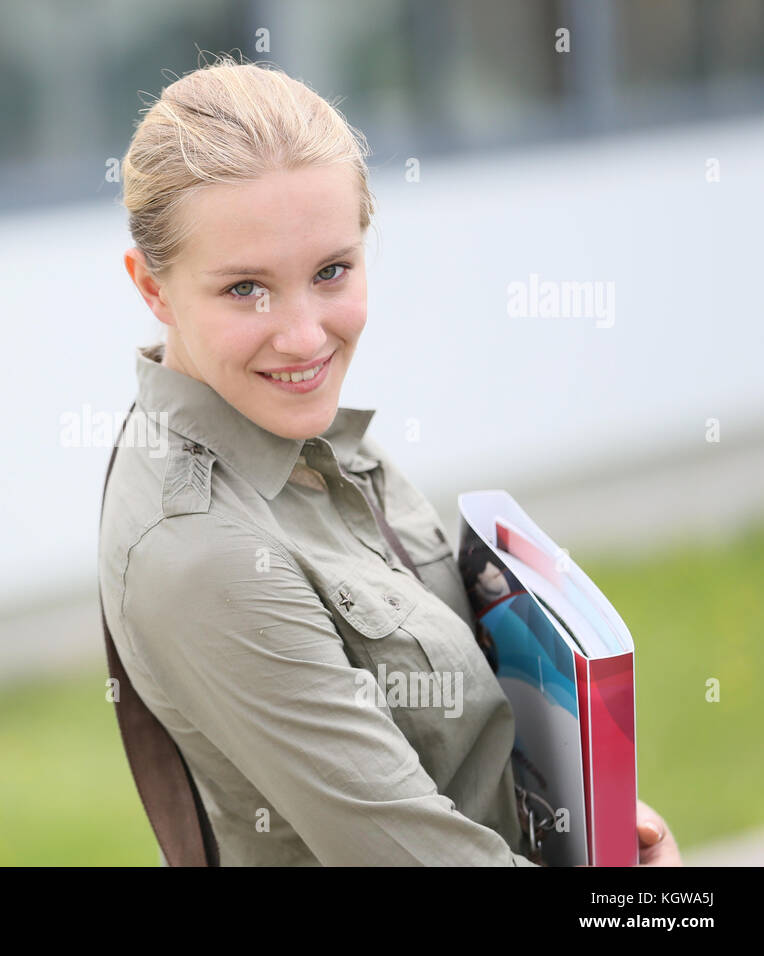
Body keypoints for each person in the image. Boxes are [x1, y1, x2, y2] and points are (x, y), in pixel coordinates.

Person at [97, 52, 680, 866]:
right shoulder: (207, 551)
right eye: (245, 290)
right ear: (153, 289)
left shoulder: (293, 426)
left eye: (331, 271)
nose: (304, 337)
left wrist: (585, 812)